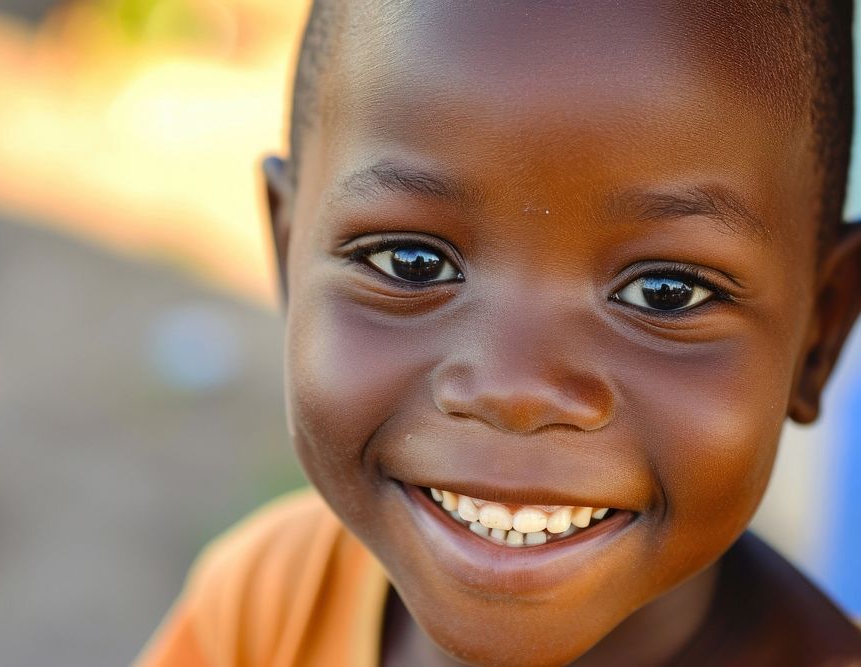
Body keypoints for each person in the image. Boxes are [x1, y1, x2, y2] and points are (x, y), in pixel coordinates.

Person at [136, 1, 861, 665]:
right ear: (289, 252)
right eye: (411, 262)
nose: (514, 389)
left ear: (819, 334)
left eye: (665, 293)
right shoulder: (268, 602)